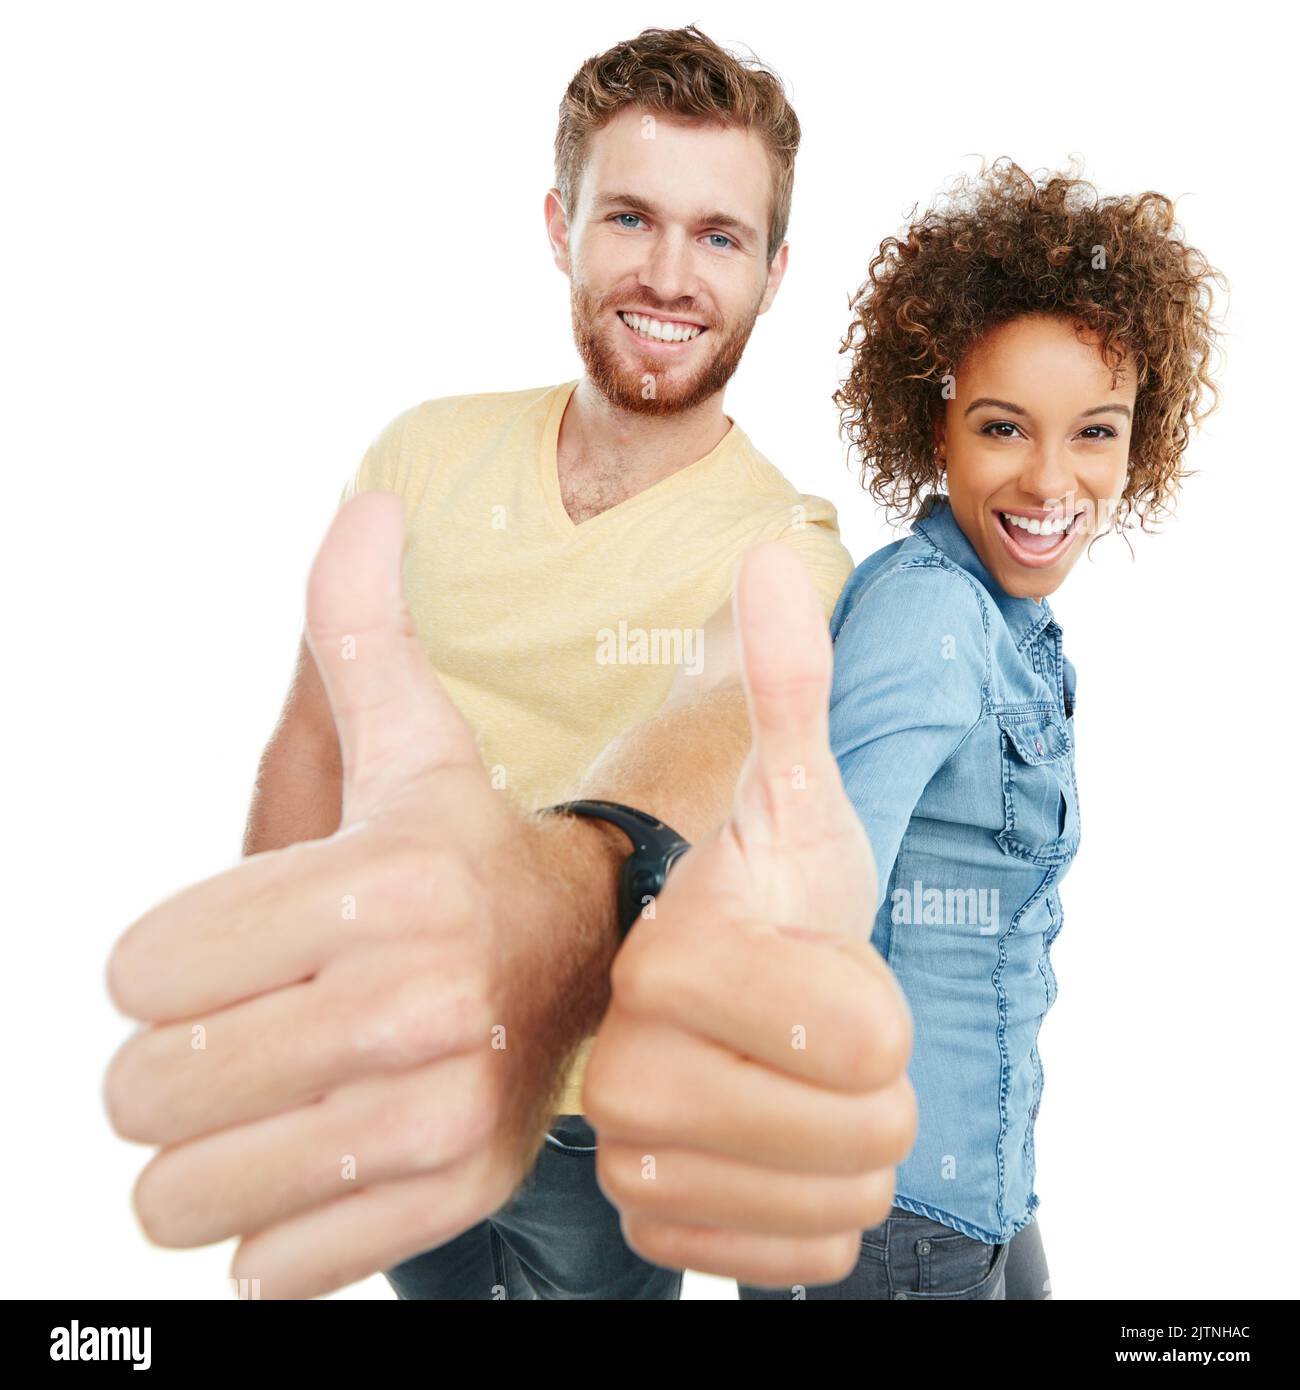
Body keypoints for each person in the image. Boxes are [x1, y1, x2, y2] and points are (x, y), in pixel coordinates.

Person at [103, 26, 917, 1300]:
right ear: (559, 224)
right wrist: (292, 1021)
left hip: (597, 1136)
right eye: (630, 218)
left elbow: (708, 731)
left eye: (719, 235)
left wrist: (557, 892)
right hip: (397, 1075)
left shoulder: (786, 546)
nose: (669, 273)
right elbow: (314, 738)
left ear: (772, 270)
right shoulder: (425, 454)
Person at [737, 158, 1225, 1300]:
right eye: (1004, 427)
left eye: (1095, 433)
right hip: (885, 1211)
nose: (1052, 479)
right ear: (935, 422)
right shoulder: (927, 615)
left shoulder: (1018, 630)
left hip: (981, 1185)